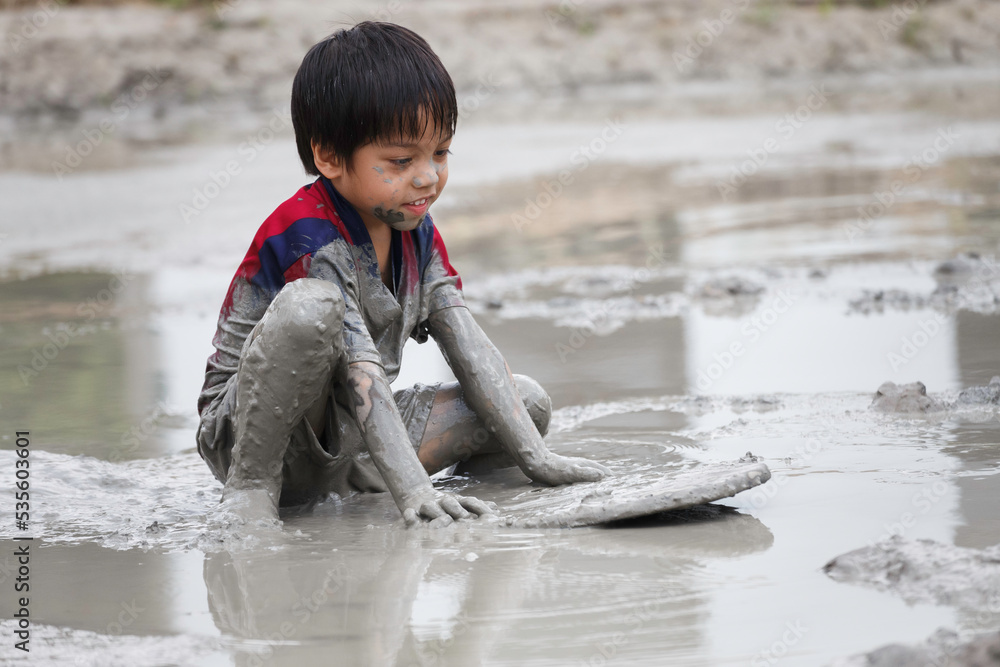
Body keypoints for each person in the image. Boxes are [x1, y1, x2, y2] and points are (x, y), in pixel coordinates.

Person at [195, 21, 608, 528]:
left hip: (350, 442)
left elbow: (467, 344)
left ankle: (365, 496)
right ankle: (253, 495)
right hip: (257, 438)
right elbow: (359, 370)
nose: (428, 176)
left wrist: (536, 459)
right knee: (311, 307)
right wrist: (413, 490)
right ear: (328, 156)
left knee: (527, 404)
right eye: (400, 159)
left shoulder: (415, 228)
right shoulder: (309, 233)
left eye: (440, 153)